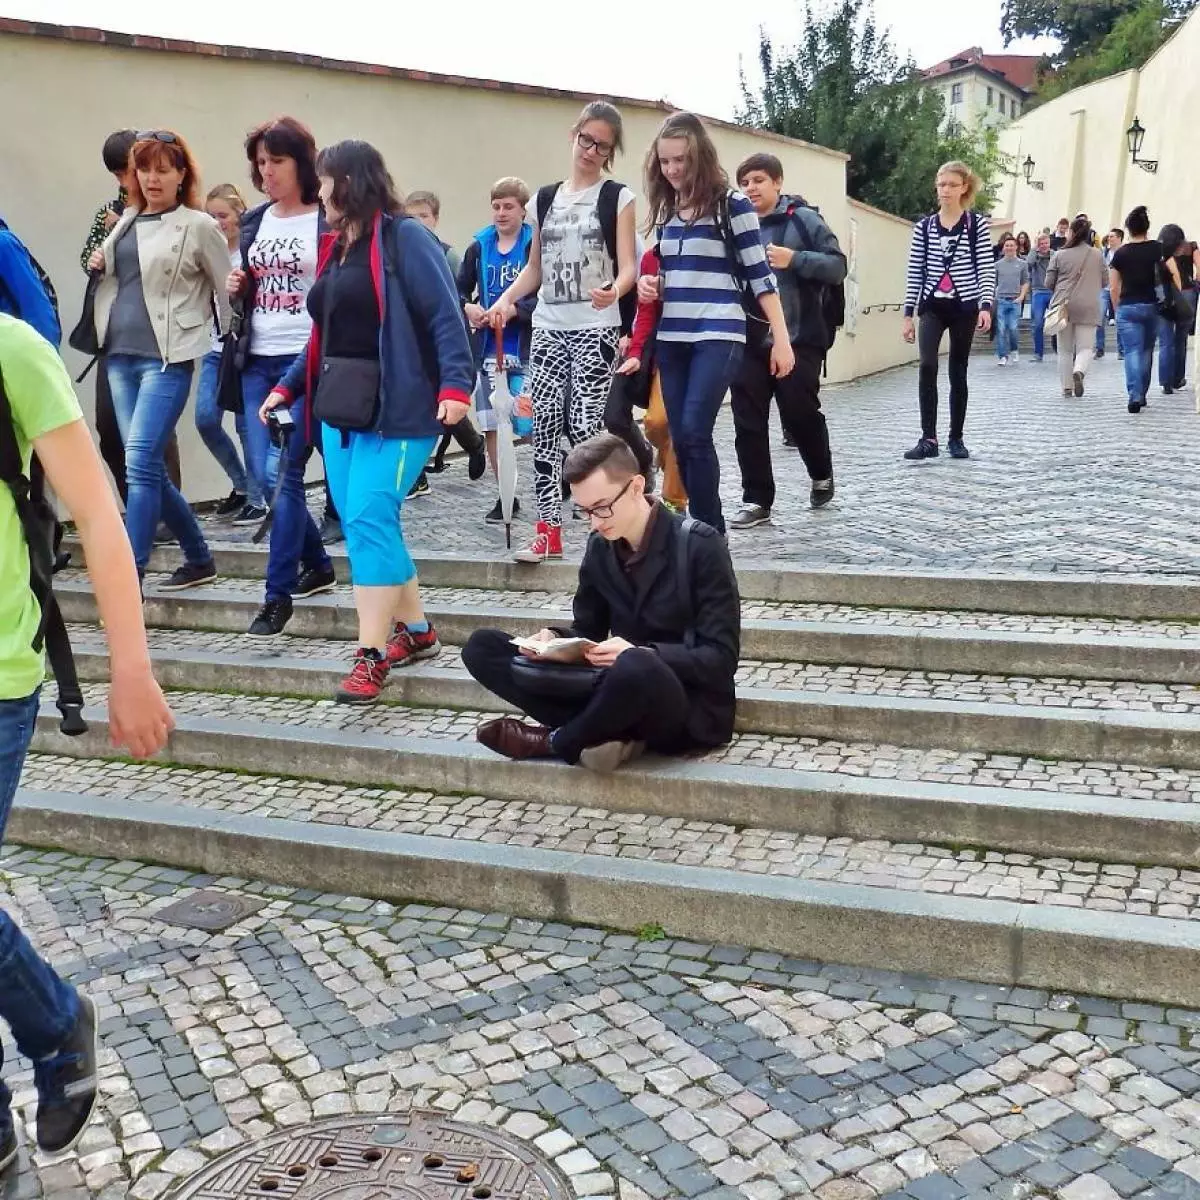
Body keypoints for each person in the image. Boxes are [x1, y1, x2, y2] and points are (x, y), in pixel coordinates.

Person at [0, 313, 173, 1173]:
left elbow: (101, 515)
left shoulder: (12, 351)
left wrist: (130, 669)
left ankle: (57, 1025)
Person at [260, 140, 474, 703]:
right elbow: (323, 332)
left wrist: (456, 387)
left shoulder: (406, 238)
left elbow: (446, 319)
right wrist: (289, 384)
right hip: (341, 410)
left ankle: (371, 653)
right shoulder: (338, 246)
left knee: (367, 516)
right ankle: (420, 631)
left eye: (324, 180)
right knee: (365, 525)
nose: (318, 189)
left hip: (401, 410)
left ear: (348, 182)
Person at [463, 432, 739, 772]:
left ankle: (556, 742)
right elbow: (586, 629)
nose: (595, 521)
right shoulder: (600, 547)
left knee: (637, 665)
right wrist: (552, 638)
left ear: (637, 486)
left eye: (602, 507)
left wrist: (645, 654)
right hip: (613, 688)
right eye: (585, 510)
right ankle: (605, 733)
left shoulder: (700, 545)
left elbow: (721, 659)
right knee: (482, 647)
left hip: (684, 706)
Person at [487, 100, 638, 564]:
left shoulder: (618, 197)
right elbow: (535, 269)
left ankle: (607, 525)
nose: (591, 150)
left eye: (602, 146)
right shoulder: (545, 199)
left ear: (610, 153)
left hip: (595, 328)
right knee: (545, 429)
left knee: (588, 429)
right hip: (550, 327)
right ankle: (547, 530)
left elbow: (629, 265)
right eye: (586, 139)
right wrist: (506, 299)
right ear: (573, 135)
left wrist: (615, 289)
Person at [88, 130, 233, 590]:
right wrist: (99, 261)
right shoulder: (126, 219)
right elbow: (122, 281)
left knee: (137, 458)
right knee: (145, 465)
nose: (152, 178)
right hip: (119, 355)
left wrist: (230, 341)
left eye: (162, 169)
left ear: (181, 174)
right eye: (144, 168)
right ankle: (199, 557)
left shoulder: (198, 225)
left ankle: (130, 571)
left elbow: (226, 289)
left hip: (167, 358)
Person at [641, 112, 791, 534]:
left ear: (700, 157)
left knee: (693, 431)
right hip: (672, 337)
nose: (672, 169)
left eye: (681, 161)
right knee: (675, 433)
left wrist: (782, 340)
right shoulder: (667, 208)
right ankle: (703, 527)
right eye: (665, 161)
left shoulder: (733, 204)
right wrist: (655, 285)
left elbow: (762, 277)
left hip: (719, 332)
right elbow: (678, 271)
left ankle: (709, 532)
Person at [228, 116, 338, 636]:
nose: (266, 171)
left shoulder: (326, 220)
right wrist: (240, 285)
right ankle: (317, 565)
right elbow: (251, 282)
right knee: (265, 472)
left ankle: (277, 596)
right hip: (257, 357)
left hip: (306, 359)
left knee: (288, 472)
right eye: (261, 162)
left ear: (302, 162)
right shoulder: (254, 221)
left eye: (276, 161)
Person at [727, 152, 845, 528]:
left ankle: (821, 472)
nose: (751, 188)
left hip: (799, 336)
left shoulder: (804, 219)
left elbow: (837, 266)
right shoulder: (735, 224)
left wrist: (795, 259)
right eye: (744, 182)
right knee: (747, 419)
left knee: (798, 411)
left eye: (758, 180)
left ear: (777, 182)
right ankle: (757, 499)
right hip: (747, 339)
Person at [900, 161, 994, 460]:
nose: (946, 190)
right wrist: (908, 315)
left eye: (952, 185)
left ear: (964, 187)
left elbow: (985, 268)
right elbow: (915, 271)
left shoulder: (975, 225)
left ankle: (956, 437)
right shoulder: (924, 228)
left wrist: (985, 306)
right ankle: (928, 438)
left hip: (964, 306)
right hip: (932, 306)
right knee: (927, 365)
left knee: (958, 371)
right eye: (942, 185)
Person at [458, 176, 536, 522]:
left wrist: (518, 310)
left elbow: (545, 294)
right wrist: (469, 308)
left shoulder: (534, 244)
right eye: (496, 206)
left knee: (527, 418)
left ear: (523, 210)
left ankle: (561, 466)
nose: (501, 213)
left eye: (508, 207)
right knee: (493, 423)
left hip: (527, 345)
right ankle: (506, 495)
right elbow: (458, 290)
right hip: (489, 348)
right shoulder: (479, 247)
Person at [403, 189, 486, 500]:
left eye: (424, 216)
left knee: (442, 404)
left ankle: (472, 445)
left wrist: (466, 309)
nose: (418, 222)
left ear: (435, 219)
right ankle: (419, 475)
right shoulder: (403, 250)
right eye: (411, 217)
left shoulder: (447, 254)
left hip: (445, 340)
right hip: (415, 344)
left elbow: (457, 294)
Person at [195, 183, 263, 522]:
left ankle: (256, 496)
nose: (217, 222)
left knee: (246, 426)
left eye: (222, 215)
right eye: (211, 216)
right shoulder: (207, 251)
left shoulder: (248, 251)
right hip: (213, 347)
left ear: (239, 215)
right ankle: (240, 484)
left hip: (242, 347)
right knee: (205, 419)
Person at [613, 244, 687, 512]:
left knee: (680, 426)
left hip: (702, 351)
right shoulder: (651, 258)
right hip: (664, 355)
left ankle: (674, 502)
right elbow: (644, 314)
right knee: (656, 423)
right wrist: (636, 352)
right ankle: (669, 460)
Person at [1044, 215, 1106, 398]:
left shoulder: (1059, 254)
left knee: (1065, 349)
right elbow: (1105, 281)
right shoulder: (1097, 254)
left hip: (1064, 305)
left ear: (1071, 233)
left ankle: (1067, 387)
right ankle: (1079, 370)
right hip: (1089, 305)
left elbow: (1048, 282)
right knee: (1086, 348)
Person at [1110, 205, 1161, 413]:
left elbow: (1114, 286)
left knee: (1132, 351)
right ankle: (1143, 393)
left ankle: (1134, 394)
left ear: (1129, 230)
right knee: (1147, 350)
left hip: (1128, 306)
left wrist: (1116, 309)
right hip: (1151, 304)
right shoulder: (1157, 249)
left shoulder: (1121, 253)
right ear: (1147, 228)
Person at [1157, 224, 1193, 394]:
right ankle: (1177, 377)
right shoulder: (1170, 260)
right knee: (1180, 340)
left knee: (1165, 343)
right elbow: (1178, 284)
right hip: (1174, 304)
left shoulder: (1156, 257)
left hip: (1159, 304)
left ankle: (1165, 381)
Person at [993, 235, 1029, 365]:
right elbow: (993, 284)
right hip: (1001, 300)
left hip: (1015, 300)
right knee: (1001, 328)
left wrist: (1021, 296)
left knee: (1013, 328)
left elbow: (1025, 282)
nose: (1009, 248)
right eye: (1006, 245)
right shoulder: (997, 265)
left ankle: (1014, 349)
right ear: (1003, 248)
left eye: (1011, 245)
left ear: (1016, 247)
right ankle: (1003, 356)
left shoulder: (1022, 264)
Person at [1096, 228, 1126, 360]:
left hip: (1119, 289)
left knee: (1119, 319)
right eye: (1109, 236)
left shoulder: (1125, 252)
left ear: (1119, 238)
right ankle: (1099, 348)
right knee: (1099, 318)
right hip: (1104, 289)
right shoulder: (1104, 253)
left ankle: (1121, 350)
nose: (1109, 239)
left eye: (1112, 236)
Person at [1026, 232, 1054, 362]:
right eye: (1041, 243)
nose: (1044, 246)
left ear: (1049, 243)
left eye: (1046, 243)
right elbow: (1029, 263)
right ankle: (1038, 353)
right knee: (1037, 323)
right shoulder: (1034, 255)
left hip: (1053, 291)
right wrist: (1033, 249)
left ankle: (1060, 348)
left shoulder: (1055, 255)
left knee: (1060, 322)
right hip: (1038, 292)